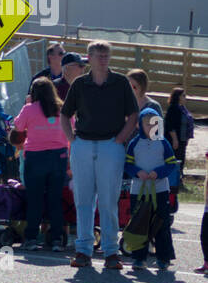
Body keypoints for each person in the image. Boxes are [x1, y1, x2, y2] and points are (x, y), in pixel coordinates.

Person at [61, 40, 139, 270]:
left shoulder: (121, 82)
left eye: (106, 55)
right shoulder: (80, 84)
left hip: (110, 146)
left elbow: (133, 115)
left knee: (108, 200)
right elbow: (65, 115)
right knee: (83, 201)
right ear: (90, 58)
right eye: (99, 55)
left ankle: (111, 252)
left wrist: (120, 139)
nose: (103, 59)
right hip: (83, 144)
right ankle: (83, 250)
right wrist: (71, 140)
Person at [13, 78, 70, 251]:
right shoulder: (62, 109)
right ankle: (56, 239)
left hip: (35, 156)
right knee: (55, 199)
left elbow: (18, 126)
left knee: (35, 199)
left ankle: (31, 237)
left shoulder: (29, 109)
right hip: (58, 156)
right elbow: (70, 130)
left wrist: (28, 104)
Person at [124, 108, 178, 270]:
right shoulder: (134, 143)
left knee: (161, 224)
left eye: (154, 122)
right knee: (139, 224)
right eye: (147, 123)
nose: (150, 126)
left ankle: (164, 257)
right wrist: (136, 172)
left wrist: (159, 173)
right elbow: (127, 164)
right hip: (138, 190)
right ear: (139, 125)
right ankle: (139, 258)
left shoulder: (163, 142)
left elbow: (171, 164)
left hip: (160, 190)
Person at [165, 87, 193, 182]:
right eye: (183, 96)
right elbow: (170, 125)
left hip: (182, 139)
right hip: (175, 139)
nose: (186, 98)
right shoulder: (173, 108)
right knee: (175, 158)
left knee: (181, 157)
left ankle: (179, 176)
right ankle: (173, 178)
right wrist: (175, 139)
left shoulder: (182, 108)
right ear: (178, 97)